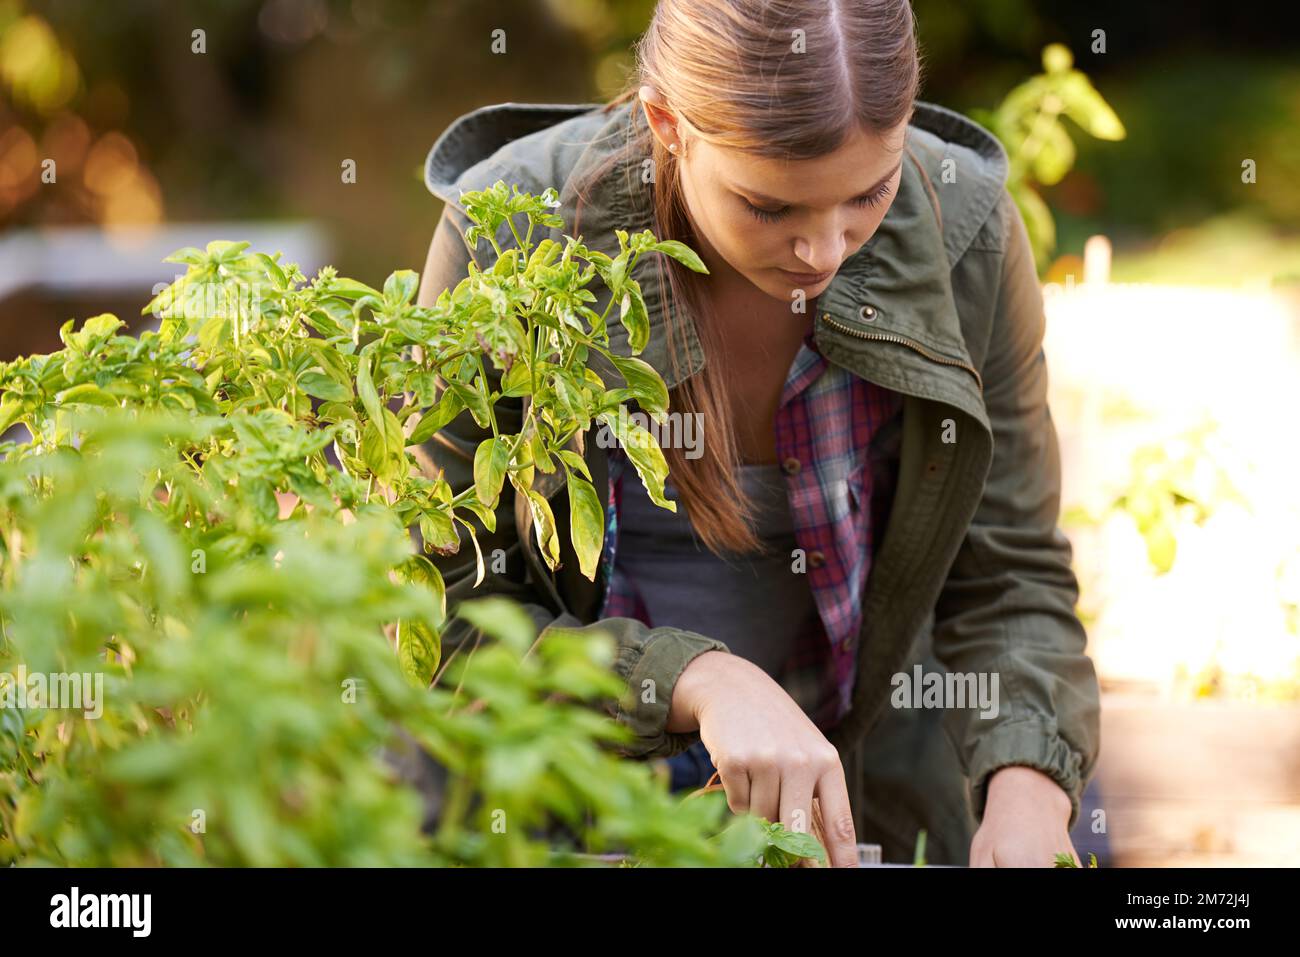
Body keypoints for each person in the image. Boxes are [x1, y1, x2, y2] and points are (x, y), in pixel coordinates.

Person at [414, 0, 1100, 867]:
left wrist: (1027, 788)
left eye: (868, 194)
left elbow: (1010, 575)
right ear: (668, 123)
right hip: (558, 812)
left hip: (870, 808)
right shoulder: (510, 235)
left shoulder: (965, 233)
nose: (823, 249)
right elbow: (451, 613)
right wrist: (693, 678)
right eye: (769, 207)